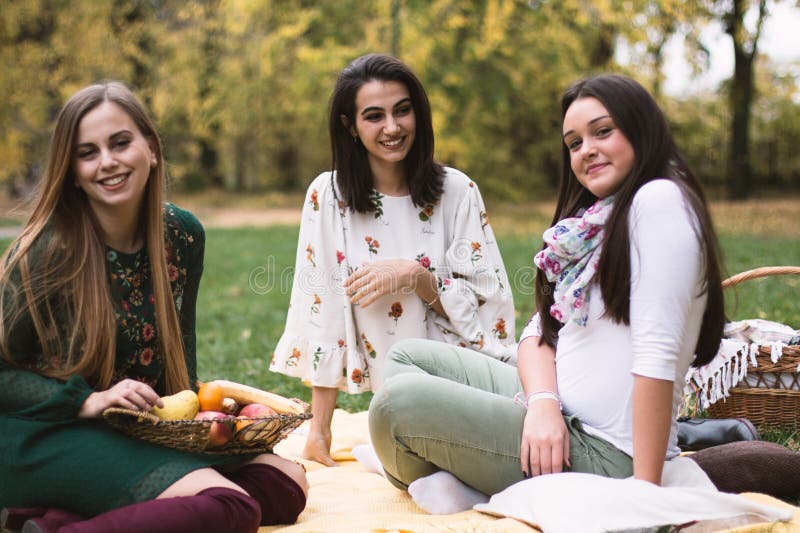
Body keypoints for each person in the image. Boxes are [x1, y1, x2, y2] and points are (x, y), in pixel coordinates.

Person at [368, 73, 736, 510]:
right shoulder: (593, 225)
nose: (587, 150)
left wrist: (644, 494)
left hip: (605, 453)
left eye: (603, 131)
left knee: (396, 405)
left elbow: (655, 355)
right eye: (574, 142)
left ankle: (476, 485)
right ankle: (483, 478)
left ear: (641, 128)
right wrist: (543, 405)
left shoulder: (658, 202)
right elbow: (539, 331)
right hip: (556, 412)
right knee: (408, 358)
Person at [0, 81, 307, 533]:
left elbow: (177, 356)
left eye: (120, 142)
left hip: (137, 428)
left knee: (286, 485)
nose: (108, 161)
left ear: (152, 149)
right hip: (46, 431)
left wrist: (206, 420)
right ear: (71, 170)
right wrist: (88, 401)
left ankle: (49, 519)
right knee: (232, 506)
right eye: (87, 152)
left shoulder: (182, 234)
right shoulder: (45, 252)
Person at [270, 53, 516, 466]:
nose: (392, 127)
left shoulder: (458, 191)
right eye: (374, 116)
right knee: (419, 471)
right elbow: (324, 313)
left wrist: (417, 277)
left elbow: (489, 312)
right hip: (396, 402)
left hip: (462, 384)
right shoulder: (329, 197)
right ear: (350, 126)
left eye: (403, 111)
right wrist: (319, 431)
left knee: (443, 474)